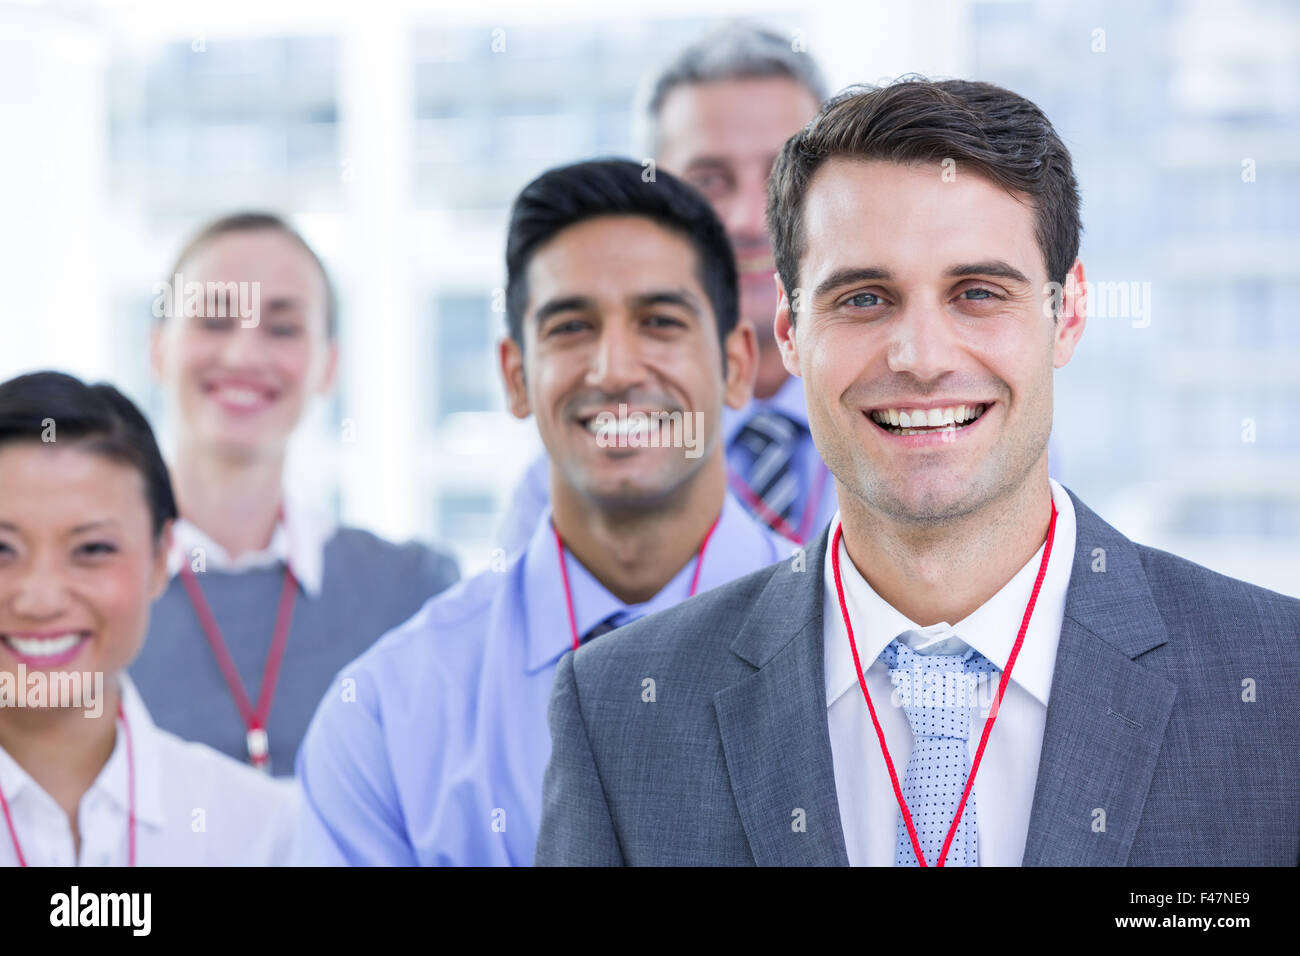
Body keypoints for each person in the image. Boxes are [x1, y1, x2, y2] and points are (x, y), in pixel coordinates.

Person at [535, 79, 1300, 867]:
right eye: (865, 298)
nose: (922, 359)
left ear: (1067, 312)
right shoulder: (620, 713)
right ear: (791, 334)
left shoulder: (1280, 688)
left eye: (977, 293)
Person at [293, 159, 796, 865]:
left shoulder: (861, 655)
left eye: (659, 321)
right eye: (571, 327)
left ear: (738, 364)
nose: (615, 369)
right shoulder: (387, 713)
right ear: (515, 376)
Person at [130, 213, 459, 776]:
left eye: (282, 329)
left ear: (328, 367)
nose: (242, 356)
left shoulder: (411, 593)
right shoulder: (86, 586)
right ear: (159, 349)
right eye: (213, 321)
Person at [496, 21, 838, 550]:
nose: (750, 219)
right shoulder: (563, 487)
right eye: (708, 181)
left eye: (782, 179)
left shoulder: (908, 423)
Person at [0, 371, 296, 866]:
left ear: (162, 558)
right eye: (2, 549)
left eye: (92, 549)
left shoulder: (260, 830)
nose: (41, 598)